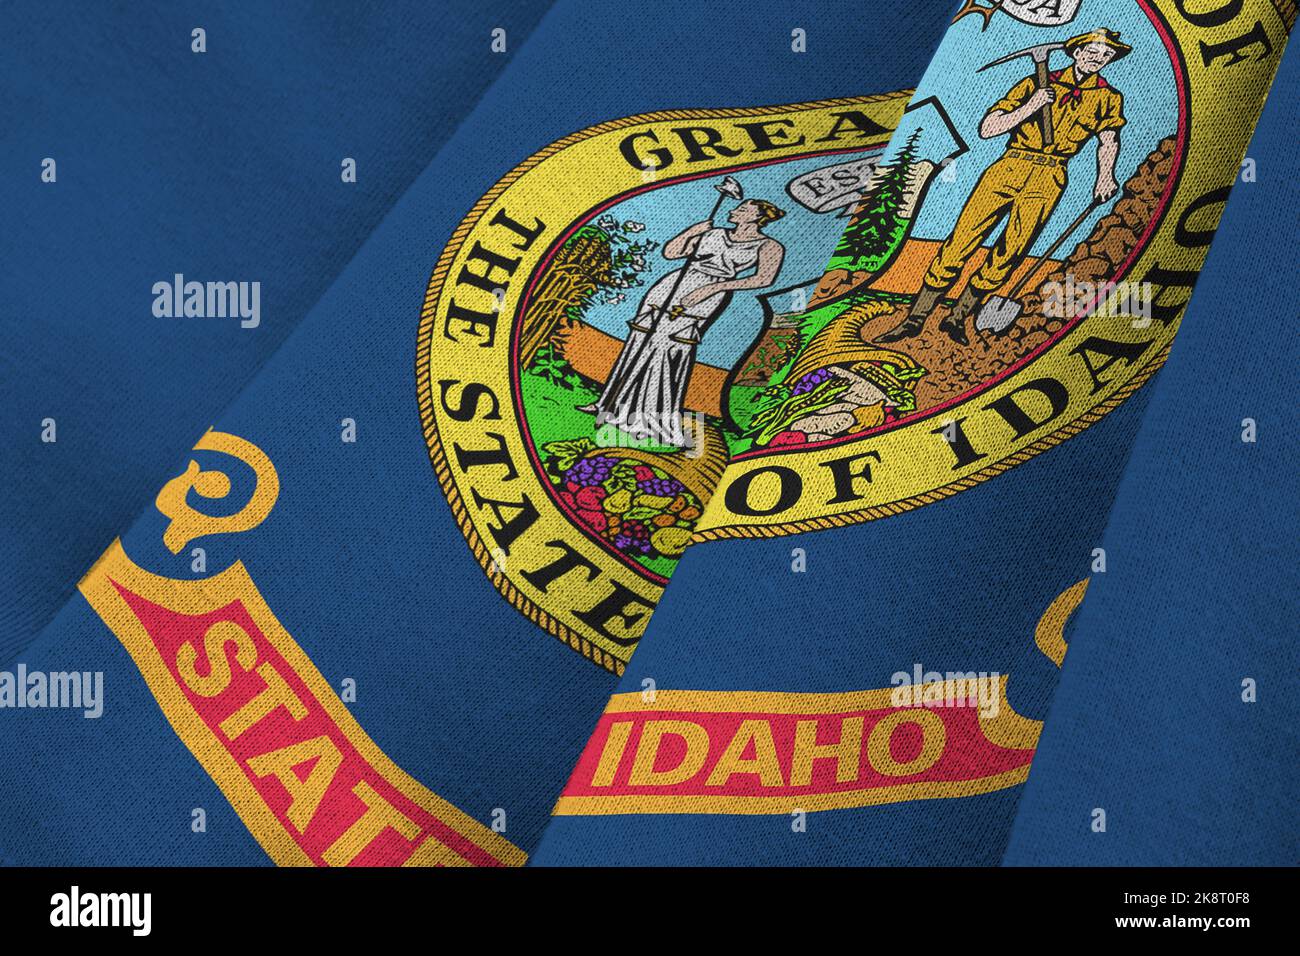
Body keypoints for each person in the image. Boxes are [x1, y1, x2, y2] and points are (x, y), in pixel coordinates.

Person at [877, 28, 1131, 347]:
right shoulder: (1035, 83)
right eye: (1093, 51)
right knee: (962, 240)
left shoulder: (1109, 97)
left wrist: (1105, 176)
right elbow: (988, 129)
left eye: (1106, 55)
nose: (1098, 58)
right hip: (1010, 165)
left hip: (1051, 175)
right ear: (1077, 51)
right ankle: (915, 318)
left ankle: (957, 317)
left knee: (1010, 252)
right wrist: (1031, 106)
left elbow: (1109, 139)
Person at [579, 198, 786, 448]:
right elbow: (672, 253)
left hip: (708, 293)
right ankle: (608, 404)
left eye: (742, 209)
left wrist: (712, 288)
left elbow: (763, 279)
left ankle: (650, 418)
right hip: (672, 285)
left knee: (670, 347)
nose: (734, 211)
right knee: (641, 340)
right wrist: (692, 231)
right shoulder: (714, 233)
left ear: (757, 216)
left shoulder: (769, 245)